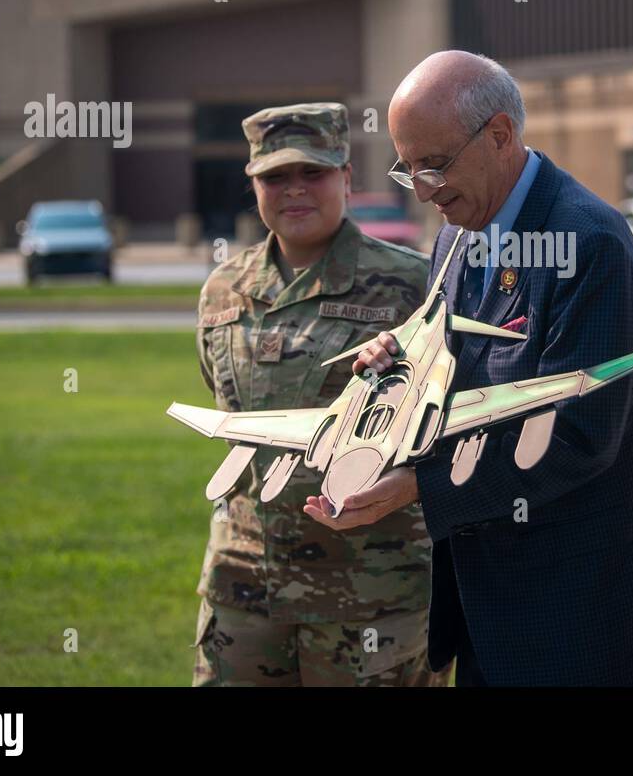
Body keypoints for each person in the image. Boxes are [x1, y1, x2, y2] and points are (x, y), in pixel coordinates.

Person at [301, 51, 633, 686]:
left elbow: (578, 437)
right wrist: (394, 368)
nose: (426, 189)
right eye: (409, 170)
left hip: (573, 613)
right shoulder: (456, 235)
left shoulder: (588, 242)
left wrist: (417, 487)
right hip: (483, 602)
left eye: (434, 164)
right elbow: (459, 375)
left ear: (499, 135)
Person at [190, 102, 448, 687]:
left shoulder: (414, 285)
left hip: (372, 598)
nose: (294, 190)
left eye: (314, 173)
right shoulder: (223, 290)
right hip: (244, 588)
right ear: (254, 184)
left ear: (348, 178)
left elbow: (450, 431)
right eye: (276, 177)